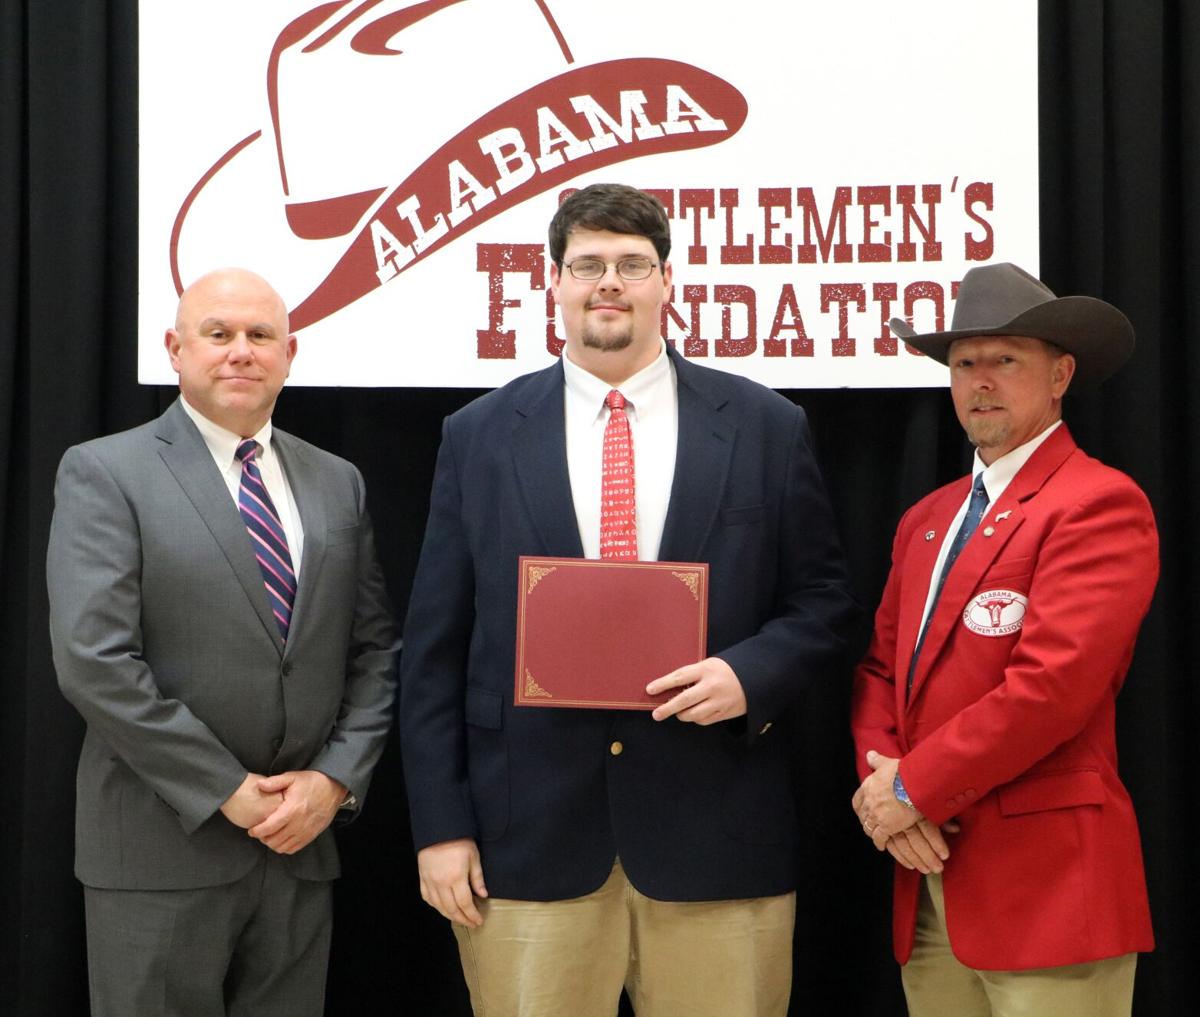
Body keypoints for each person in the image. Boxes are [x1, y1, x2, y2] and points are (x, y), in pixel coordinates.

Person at [399, 182, 856, 1017]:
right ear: (555, 283)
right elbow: (434, 650)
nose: (609, 282)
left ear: (669, 281)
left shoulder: (765, 426)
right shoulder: (478, 436)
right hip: (525, 845)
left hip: (718, 836)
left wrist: (749, 675)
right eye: (588, 264)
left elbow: (824, 601)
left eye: (633, 265)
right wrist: (439, 825)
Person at [46, 267, 398, 1017]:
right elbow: (94, 660)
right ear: (175, 349)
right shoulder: (106, 472)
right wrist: (225, 790)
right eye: (219, 333)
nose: (241, 350)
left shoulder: (339, 483)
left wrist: (334, 781)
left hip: (300, 851)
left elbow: (374, 655)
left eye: (260, 334)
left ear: (291, 352)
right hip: (157, 850)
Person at [850, 262, 1158, 1017]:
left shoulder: (1098, 503)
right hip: (926, 881)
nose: (980, 380)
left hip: (1049, 890)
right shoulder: (926, 517)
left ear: (1060, 375)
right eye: (964, 363)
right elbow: (880, 671)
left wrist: (909, 788)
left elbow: (1049, 691)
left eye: (1005, 359)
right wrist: (881, 785)